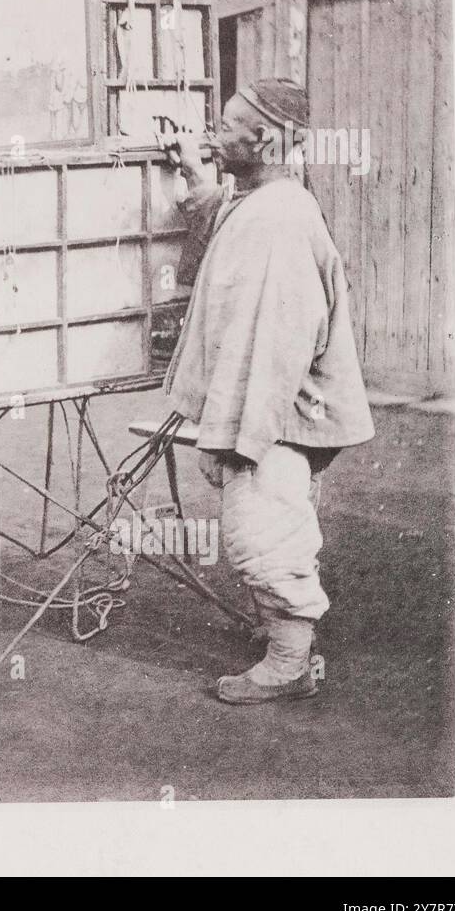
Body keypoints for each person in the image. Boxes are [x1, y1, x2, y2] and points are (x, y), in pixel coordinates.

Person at [162, 79, 374, 705]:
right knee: (266, 518)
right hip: (269, 404)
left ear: (267, 138)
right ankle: (283, 641)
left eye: (228, 127)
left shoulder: (278, 218)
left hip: (276, 408)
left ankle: (288, 661)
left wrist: (237, 440)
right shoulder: (263, 199)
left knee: (261, 528)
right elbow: (223, 209)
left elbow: (273, 346)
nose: (213, 134)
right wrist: (201, 180)